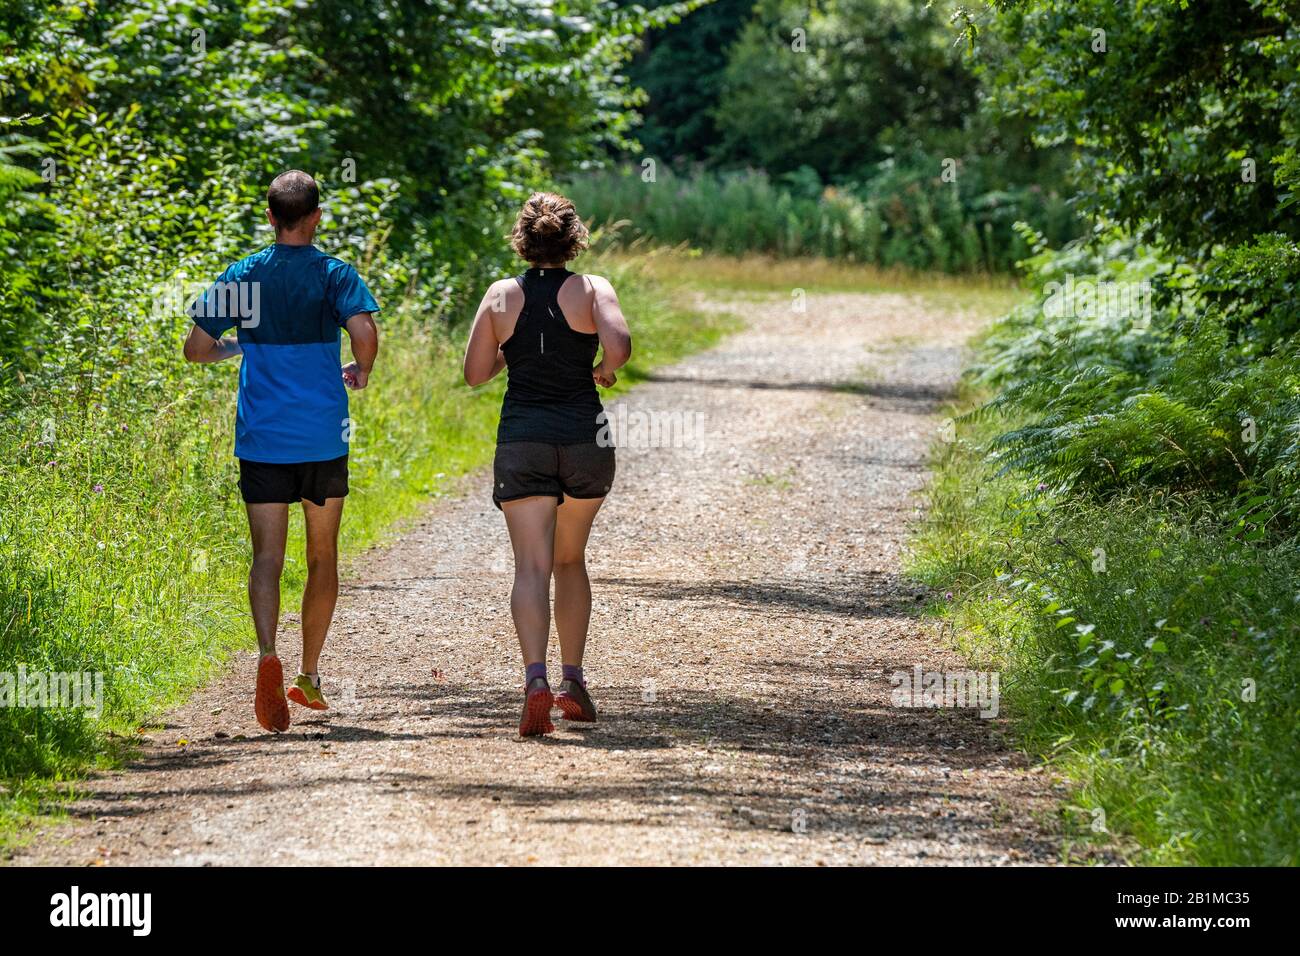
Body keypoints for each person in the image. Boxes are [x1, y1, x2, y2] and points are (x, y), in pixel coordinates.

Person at [183, 169, 380, 733]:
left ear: (269, 217)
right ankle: (309, 675)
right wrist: (360, 370)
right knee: (323, 555)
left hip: (262, 438)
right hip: (322, 436)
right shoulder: (335, 274)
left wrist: (239, 346)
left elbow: (196, 349)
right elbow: (363, 331)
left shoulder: (243, 276)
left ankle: (267, 652)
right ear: (317, 217)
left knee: (267, 556)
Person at [463, 191, 631, 736]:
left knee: (530, 567)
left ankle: (534, 681)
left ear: (524, 238)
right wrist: (604, 367)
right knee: (570, 561)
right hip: (585, 439)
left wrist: (519, 351)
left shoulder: (499, 295)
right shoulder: (593, 288)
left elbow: (475, 372)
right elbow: (620, 342)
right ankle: (573, 680)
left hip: (523, 441)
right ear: (572, 237)